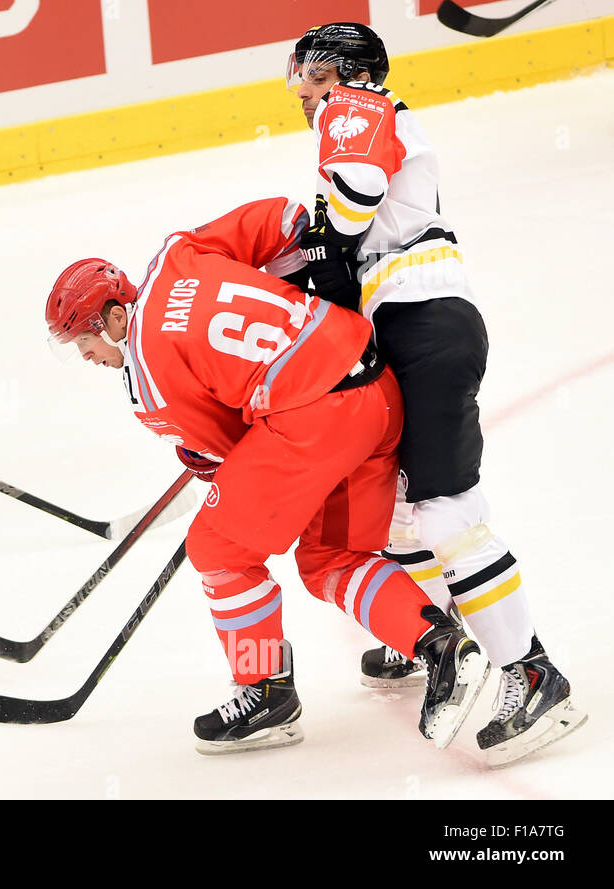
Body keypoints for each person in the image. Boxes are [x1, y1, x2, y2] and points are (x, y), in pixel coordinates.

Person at [45, 196, 489, 755]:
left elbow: (234, 451)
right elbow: (282, 219)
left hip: (316, 421)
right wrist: (309, 271)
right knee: (332, 559)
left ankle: (265, 690)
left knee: (219, 550)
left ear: (112, 318)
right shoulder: (177, 253)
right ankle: (441, 647)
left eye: (84, 340)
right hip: (376, 386)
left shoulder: (147, 386)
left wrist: (207, 462)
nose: (86, 356)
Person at [287, 22, 585, 765]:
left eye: (316, 76)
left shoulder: (355, 107)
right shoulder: (364, 116)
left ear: (348, 74)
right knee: (398, 510)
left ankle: (533, 671)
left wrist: (324, 249)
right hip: (411, 327)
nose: (306, 91)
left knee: (447, 509)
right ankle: (428, 629)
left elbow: (354, 200)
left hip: (426, 325)